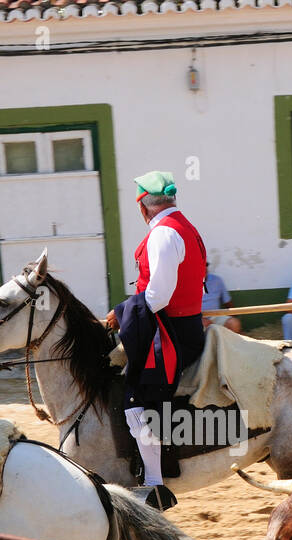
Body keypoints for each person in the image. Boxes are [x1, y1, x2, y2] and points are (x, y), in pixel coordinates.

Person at [103, 171, 207, 510]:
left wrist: (122, 312)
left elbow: (157, 296)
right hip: (184, 324)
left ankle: (154, 483)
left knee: (135, 396)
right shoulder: (186, 227)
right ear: (171, 200)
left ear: (142, 207)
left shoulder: (163, 234)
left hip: (173, 333)